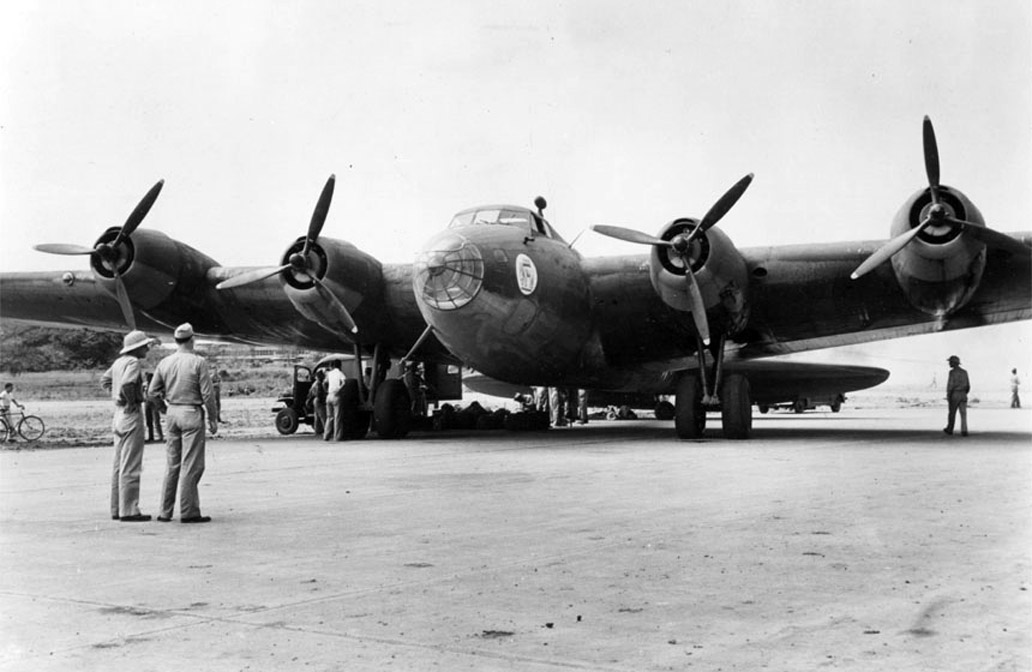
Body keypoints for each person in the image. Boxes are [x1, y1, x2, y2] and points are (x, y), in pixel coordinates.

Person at [148, 323, 218, 523]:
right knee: (191, 465)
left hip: (172, 412)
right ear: (192, 339)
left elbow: (152, 392)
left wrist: (163, 409)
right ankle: (189, 511)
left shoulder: (165, 362)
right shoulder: (198, 362)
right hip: (191, 412)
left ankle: (165, 511)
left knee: (172, 464)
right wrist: (213, 417)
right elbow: (207, 394)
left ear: (176, 340)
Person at [101, 330, 157, 522]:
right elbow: (127, 384)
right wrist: (131, 401)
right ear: (137, 347)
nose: (147, 349)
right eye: (145, 346)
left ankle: (117, 508)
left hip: (118, 414)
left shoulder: (118, 362)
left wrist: (115, 395)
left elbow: (105, 380)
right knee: (131, 463)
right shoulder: (133, 363)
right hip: (130, 413)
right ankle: (129, 509)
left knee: (119, 463)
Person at [944, 355, 970, 436]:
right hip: (963, 394)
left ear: (953, 363)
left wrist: (949, 394)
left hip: (955, 394)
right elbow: (968, 385)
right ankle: (964, 430)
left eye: (950, 362)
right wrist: (964, 393)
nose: (949, 364)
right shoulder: (964, 372)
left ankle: (950, 429)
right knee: (963, 413)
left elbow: (950, 384)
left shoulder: (952, 372)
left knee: (952, 413)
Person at [323, 360, 346, 441]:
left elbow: (324, 383)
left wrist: (326, 391)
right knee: (337, 417)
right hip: (336, 396)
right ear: (340, 365)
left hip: (329, 396)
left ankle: (326, 435)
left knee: (329, 417)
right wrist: (339, 389)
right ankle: (337, 437)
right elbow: (344, 382)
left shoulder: (329, 373)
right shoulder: (340, 373)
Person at [143, 373, 165, 443]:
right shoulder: (146, 385)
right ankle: (152, 436)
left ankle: (159, 436)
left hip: (153, 402)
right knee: (150, 421)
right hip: (148, 402)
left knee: (155, 420)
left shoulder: (154, 385)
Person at [308, 368, 327, 436]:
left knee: (317, 417)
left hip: (315, 401)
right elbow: (319, 394)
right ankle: (327, 431)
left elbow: (310, 393)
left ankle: (317, 431)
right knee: (323, 416)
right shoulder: (319, 384)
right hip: (318, 401)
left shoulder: (314, 383)